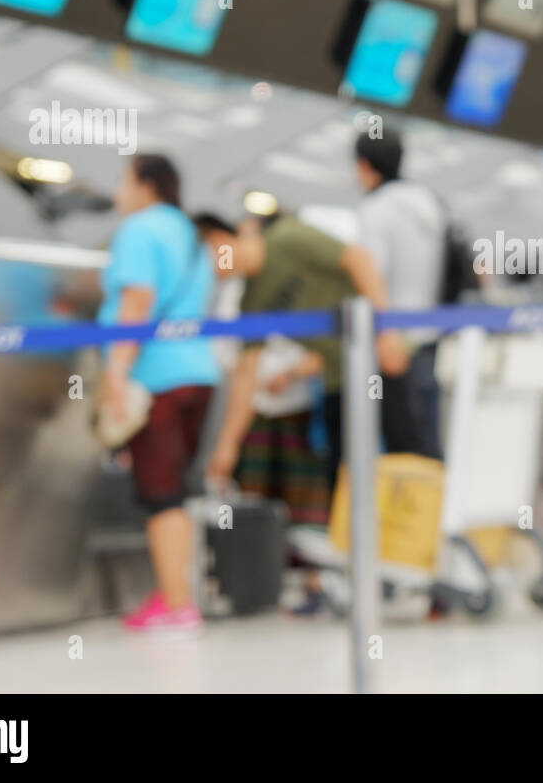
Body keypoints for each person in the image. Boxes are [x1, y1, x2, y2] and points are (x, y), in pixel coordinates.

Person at [194, 212, 408, 521]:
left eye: (205, 261)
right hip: (339, 383)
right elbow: (245, 375)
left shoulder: (287, 238)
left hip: (385, 366)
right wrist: (227, 447)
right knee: (345, 485)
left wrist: (386, 333)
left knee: (408, 465)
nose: (209, 275)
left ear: (218, 243)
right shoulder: (252, 302)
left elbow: (358, 259)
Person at [98, 154, 219, 632]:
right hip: (199, 371)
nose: (118, 192)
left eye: (123, 180)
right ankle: (176, 594)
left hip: (157, 378)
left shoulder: (138, 230)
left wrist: (116, 374)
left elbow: (137, 301)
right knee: (176, 490)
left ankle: (177, 605)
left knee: (160, 493)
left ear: (147, 186)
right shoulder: (190, 234)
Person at [354, 128, 446, 460]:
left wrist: (386, 332)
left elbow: (371, 271)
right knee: (426, 442)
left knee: (400, 444)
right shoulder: (428, 202)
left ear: (363, 165)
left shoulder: (377, 207)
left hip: (393, 341)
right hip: (428, 336)